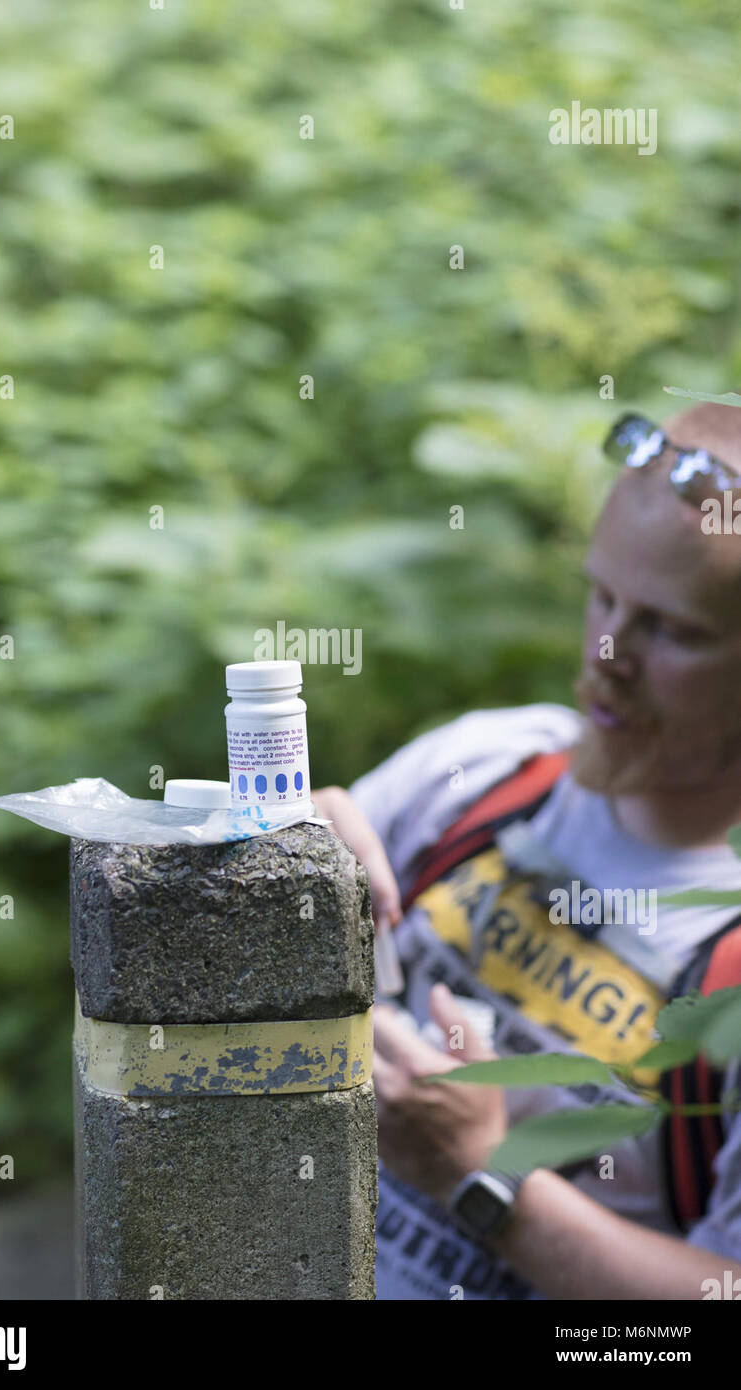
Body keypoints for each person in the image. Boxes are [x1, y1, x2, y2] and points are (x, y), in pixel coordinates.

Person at [312, 401, 741, 1300]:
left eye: (674, 630)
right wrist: (270, 858)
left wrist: (482, 1178)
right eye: (603, 596)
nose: (608, 652)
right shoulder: (486, 768)